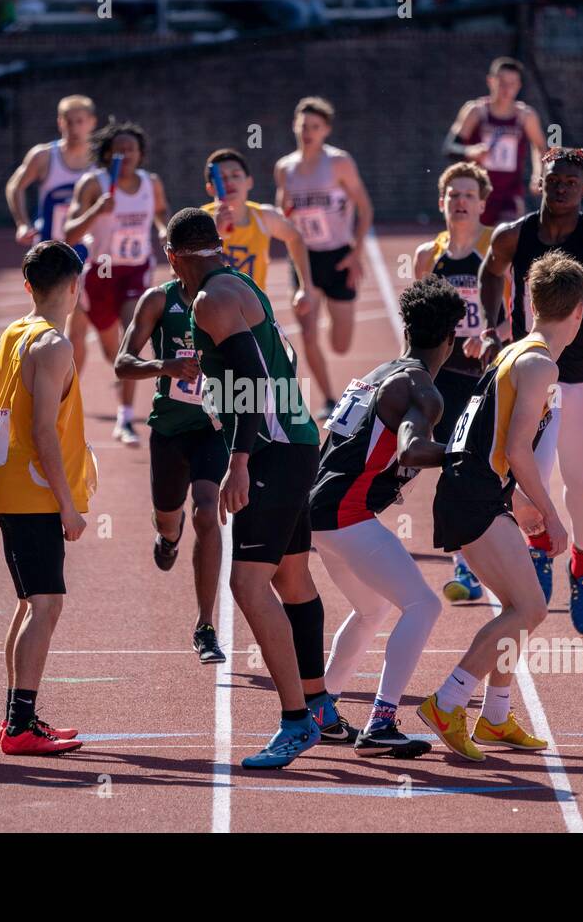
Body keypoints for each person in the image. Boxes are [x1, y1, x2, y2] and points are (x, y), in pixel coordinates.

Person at [167, 207, 355, 769]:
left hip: (271, 451)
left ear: (174, 254)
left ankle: (295, 721)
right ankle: (318, 702)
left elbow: (252, 376)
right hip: (294, 442)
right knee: (293, 577)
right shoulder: (241, 284)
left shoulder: (209, 300)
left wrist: (240, 460)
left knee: (248, 587)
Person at [418, 251, 583, 761]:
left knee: (521, 609)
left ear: (529, 302)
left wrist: (515, 498)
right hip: (472, 492)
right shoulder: (540, 364)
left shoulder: (515, 352)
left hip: (475, 488)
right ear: (580, 311)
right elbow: (516, 448)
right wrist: (553, 515)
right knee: (531, 607)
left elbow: (487, 436)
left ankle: (495, 716)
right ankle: (448, 702)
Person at [478, 147, 583, 634]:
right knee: (529, 476)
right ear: (539, 182)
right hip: (531, 370)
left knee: (580, 482)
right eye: (554, 179)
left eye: (571, 181)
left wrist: (580, 301)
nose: (562, 187)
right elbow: (490, 272)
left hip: (580, 374)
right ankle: (540, 551)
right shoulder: (514, 234)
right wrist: (492, 326)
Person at [313, 276, 466, 757]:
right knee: (425, 606)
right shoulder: (423, 389)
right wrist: (467, 454)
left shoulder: (378, 372)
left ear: (407, 328)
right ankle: (381, 723)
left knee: (374, 608)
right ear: (450, 339)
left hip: (318, 510)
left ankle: (322, 708)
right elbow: (412, 448)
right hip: (346, 513)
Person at [0, 241, 93, 756]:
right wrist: (68, 502)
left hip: (8, 485)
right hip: (33, 492)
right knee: (46, 604)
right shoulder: (53, 346)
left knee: (31, 604)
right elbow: (44, 431)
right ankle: (19, 726)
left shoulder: (14, 333)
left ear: (29, 285)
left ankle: (18, 718)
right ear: (74, 286)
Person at [113, 269, 228, 665]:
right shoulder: (158, 301)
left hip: (213, 427)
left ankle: (205, 627)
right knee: (168, 518)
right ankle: (169, 535)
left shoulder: (228, 297)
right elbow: (123, 363)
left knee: (208, 513)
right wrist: (165, 366)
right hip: (169, 430)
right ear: (175, 259)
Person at [413, 161, 499, 603]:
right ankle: (465, 565)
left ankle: (506, 548)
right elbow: (419, 320)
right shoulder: (429, 256)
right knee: (454, 463)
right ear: (442, 203)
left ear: (483, 203)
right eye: (452, 195)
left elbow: (516, 311)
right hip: (446, 378)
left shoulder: (496, 248)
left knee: (494, 466)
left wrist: (490, 336)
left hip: (489, 375)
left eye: (468, 195)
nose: (460, 202)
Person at [64, 121, 170, 446]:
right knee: (113, 351)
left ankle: (125, 418)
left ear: (140, 154)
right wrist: (96, 211)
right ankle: (72, 401)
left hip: (135, 270)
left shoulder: (150, 183)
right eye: (118, 149)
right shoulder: (93, 183)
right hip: (102, 271)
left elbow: (161, 213)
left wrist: (164, 230)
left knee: (131, 338)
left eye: (131, 149)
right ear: (108, 153)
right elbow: (70, 233)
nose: (125, 154)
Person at [274, 96, 375, 416]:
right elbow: (283, 213)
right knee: (307, 331)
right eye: (303, 125)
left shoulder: (339, 163)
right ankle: (330, 399)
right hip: (304, 258)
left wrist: (356, 252)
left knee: (340, 344)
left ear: (326, 130)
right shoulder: (284, 168)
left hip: (338, 255)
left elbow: (365, 207)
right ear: (294, 126)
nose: (308, 132)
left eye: (315, 127)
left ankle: (333, 308)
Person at [443, 56, 548, 252]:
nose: (506, 90)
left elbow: (540, 147)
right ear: (491, 81)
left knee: (507, 242)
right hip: (477, 194)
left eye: (512, 84)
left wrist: (538, 174)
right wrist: (470, 151)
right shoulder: (476, 111)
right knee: (472, 250)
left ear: (518, 86)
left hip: (509, 194)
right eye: (502, 83)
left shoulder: (525, 116)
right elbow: (449, 148)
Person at [202, 147, 314, 302]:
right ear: (210, 188)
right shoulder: (200, 220)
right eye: (222, 177)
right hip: (214, 308)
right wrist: (216, 234)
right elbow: (182, 272)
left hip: (254, 309)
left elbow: (296, 238)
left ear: (249, 181)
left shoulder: (264, 216)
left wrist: (305, 286)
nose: (229, 182)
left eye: (235, 175)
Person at [4, 94, 97, 249]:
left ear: (92, 122)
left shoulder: (101, 160)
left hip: (90, 247)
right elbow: (15, 186)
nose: (74, 128)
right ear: (60, 123)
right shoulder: (43, 156)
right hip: (49, 247)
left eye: (80, 121)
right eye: (68, 122)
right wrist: (22, 224)